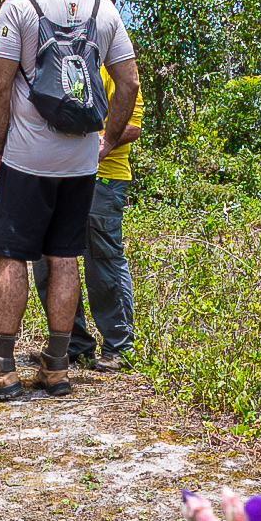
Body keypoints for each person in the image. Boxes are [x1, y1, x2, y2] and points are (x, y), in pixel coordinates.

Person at [0, 0, 134, 403]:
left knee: (11, 255)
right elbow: (130, 83)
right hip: (81, 159)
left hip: (28, 156)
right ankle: (57, 367)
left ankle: (0, 367)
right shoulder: (105, 9)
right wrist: (107, 138)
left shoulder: (20, 6)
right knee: (65, 256)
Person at [62, 65, 146, 370]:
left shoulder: (115, 64)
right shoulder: (64, 57)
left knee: (103, 261)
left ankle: (119, 346)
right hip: (61, 177)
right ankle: (74, 344)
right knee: (55, 262)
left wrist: (98, 143)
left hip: (105, 177)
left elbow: (133, 126)